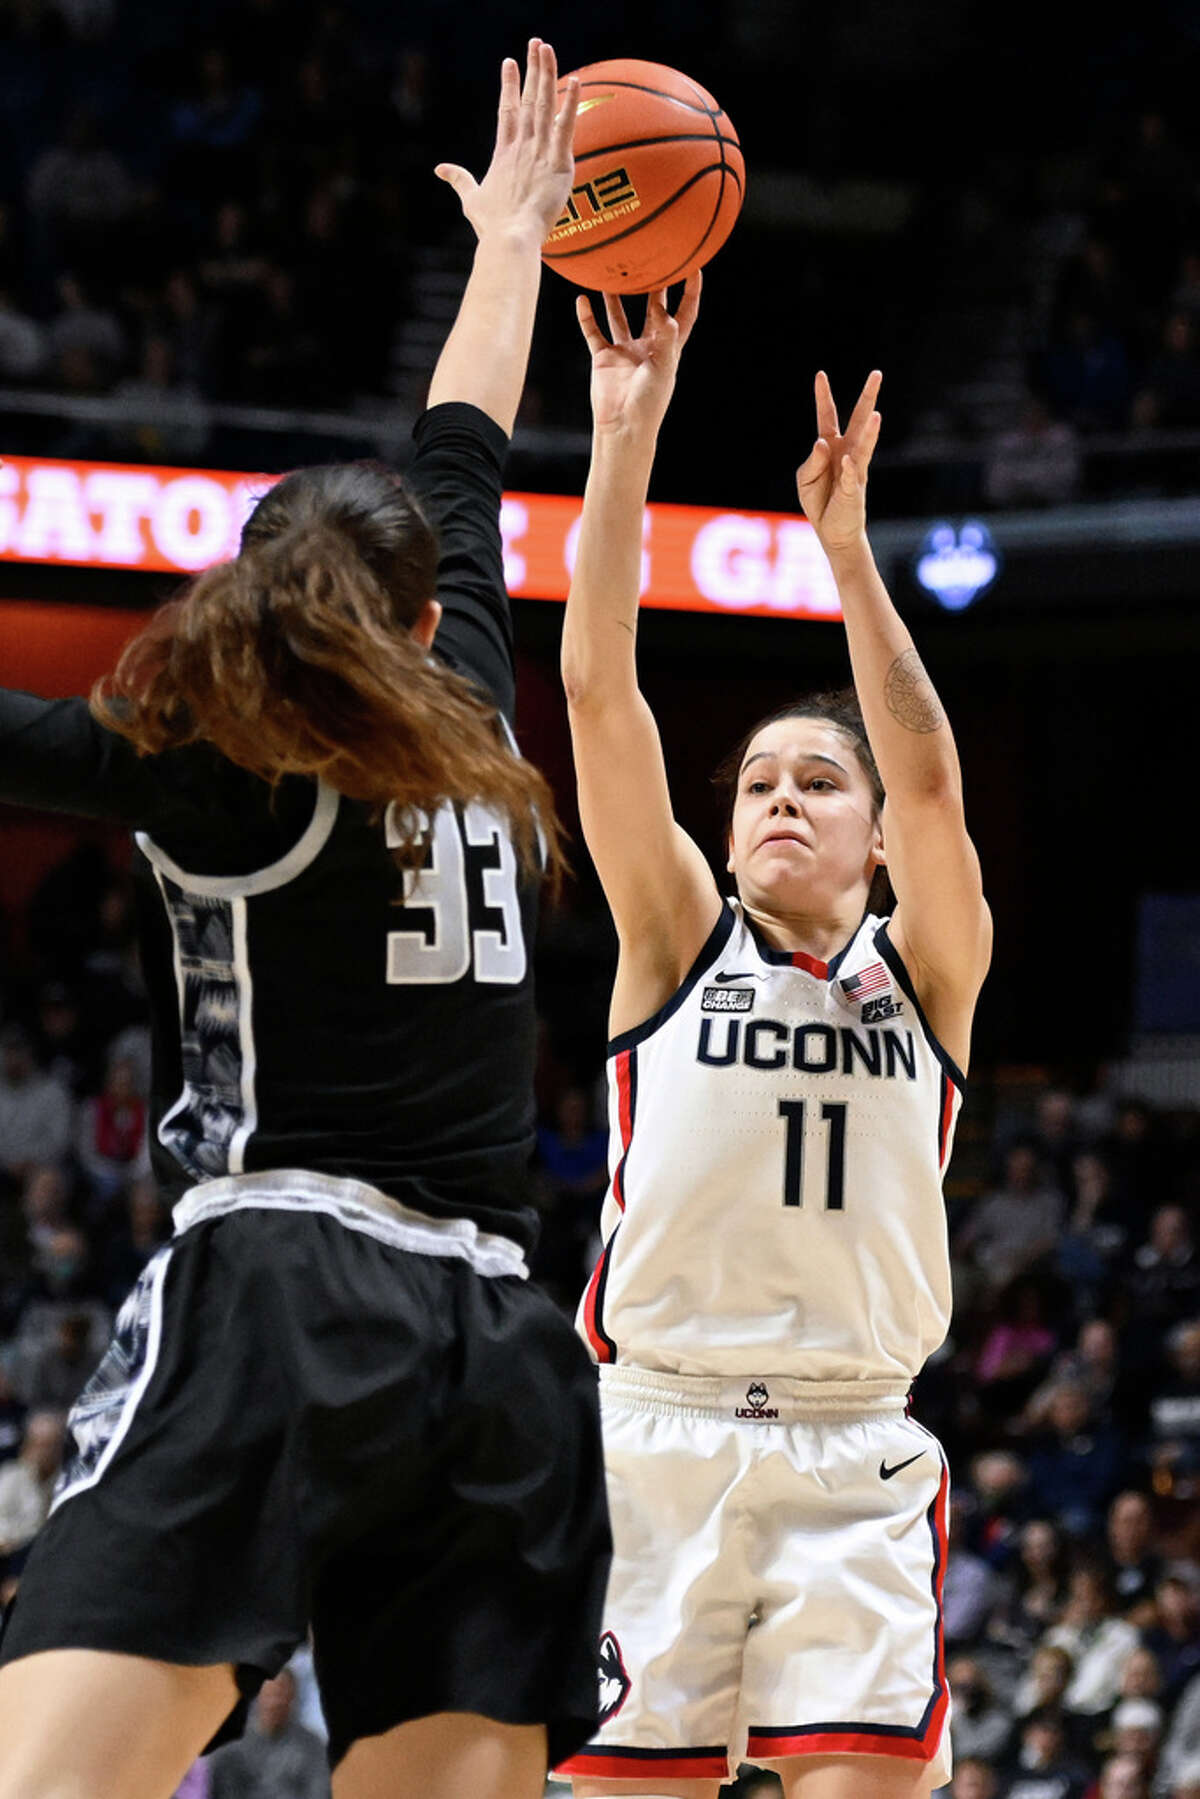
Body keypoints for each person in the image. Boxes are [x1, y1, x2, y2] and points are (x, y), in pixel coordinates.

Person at [0, 41, 611, 1799]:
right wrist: (513, 242)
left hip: (288, 1294)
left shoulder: (227, 765)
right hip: (502, 1349)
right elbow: (469, 444)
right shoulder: (484, 702)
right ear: (426, 619)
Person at [556, 281, 991, 1797]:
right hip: (648, 1433)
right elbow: (599, 693)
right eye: (757, 784)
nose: (781, 800)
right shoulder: (678, 936)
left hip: (852, 1450)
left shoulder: (926, 971)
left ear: (875, 847)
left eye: (818, 782)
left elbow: (932, 783)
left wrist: (849, 556)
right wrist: (626, 437)